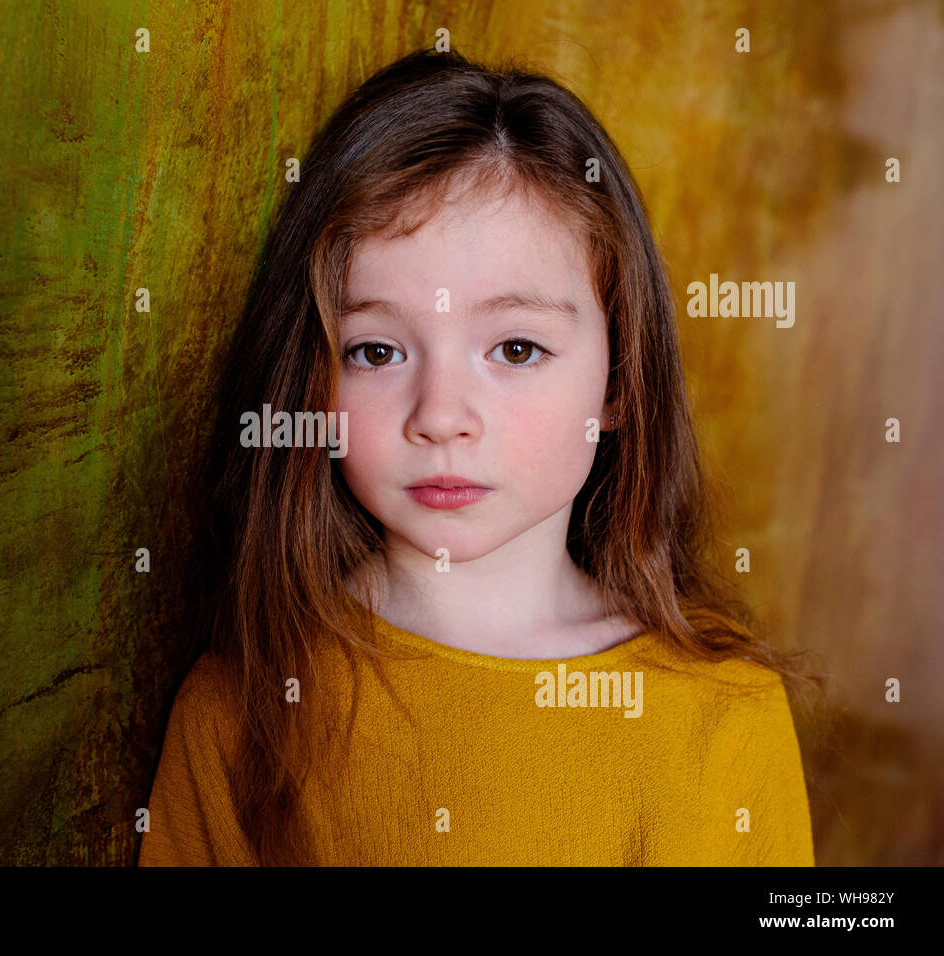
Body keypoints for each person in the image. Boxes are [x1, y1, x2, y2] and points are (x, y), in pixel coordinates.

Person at [138, 48, 818, 866]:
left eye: (518, 348)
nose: (441, 418)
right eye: (378, 353)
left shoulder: (729, 716)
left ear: (621, 380)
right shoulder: (240, 712)